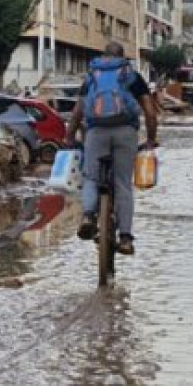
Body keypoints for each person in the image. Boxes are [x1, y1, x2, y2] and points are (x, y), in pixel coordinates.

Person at [63, 41, 159, 256]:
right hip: (126, 132)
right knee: (123, 183)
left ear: (104, 56)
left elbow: (77, 112)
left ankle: (88, 215)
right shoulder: (131, 76)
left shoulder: (92, 77)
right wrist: (151, 139)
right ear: (122, 57)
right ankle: (125, 238)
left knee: (91, 178)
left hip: (96, 133)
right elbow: (150, 113)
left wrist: (69, 137)